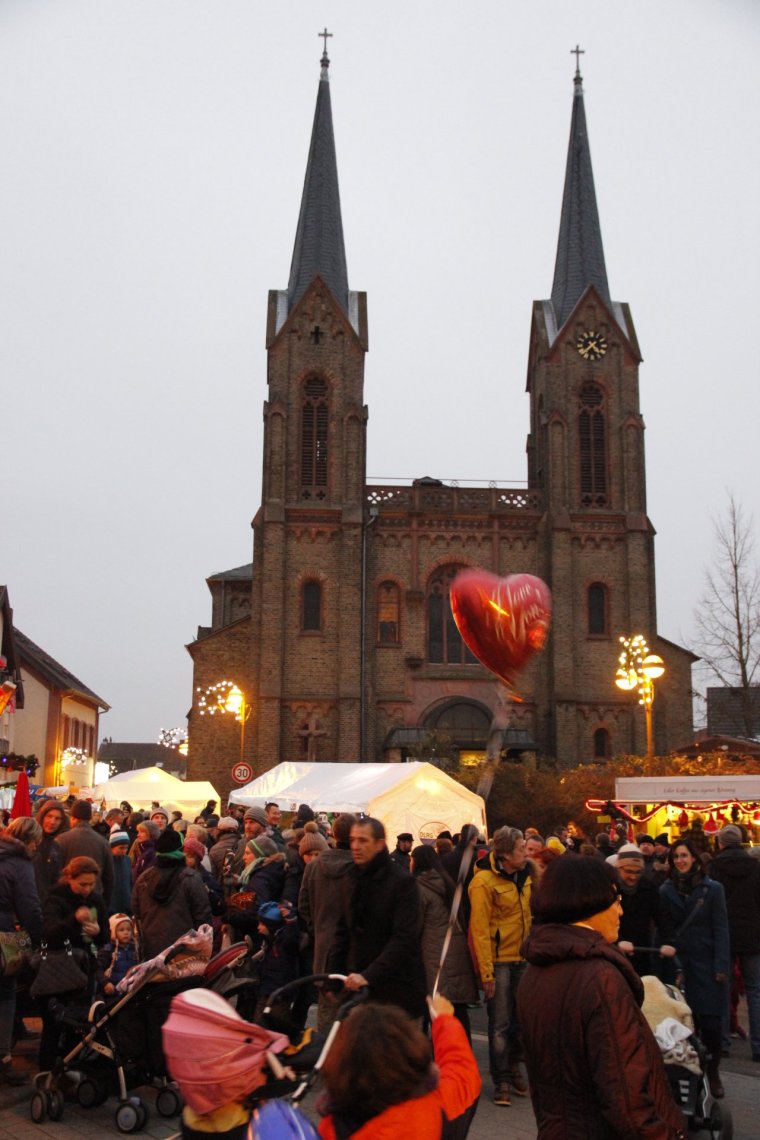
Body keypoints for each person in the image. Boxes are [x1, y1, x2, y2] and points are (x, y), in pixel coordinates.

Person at [517, 855, 687, 1140]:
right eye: (615, 899)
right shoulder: (599, 977)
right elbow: (625, 1093)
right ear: (589, 901)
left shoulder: (537, 968)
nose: (620, 911)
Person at [317, 995, 481, 1139]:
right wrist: (444, 1020)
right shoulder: (433, 1107)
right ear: (410, 1051)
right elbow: (461, 1067)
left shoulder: (331, 1128)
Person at [328, 817, 426, 1019]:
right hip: (358, 987)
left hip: (396, 991)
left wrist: (369, 975)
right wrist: (333, 976)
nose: (355, 846)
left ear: (380, 844)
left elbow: (404, 938)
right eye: (353, 840)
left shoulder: (402, 882)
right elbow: (342, 930)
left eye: (363, 841)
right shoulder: (350, 877)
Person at [659, 837, 731, 1098]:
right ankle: (688, 1075)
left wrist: (722, 964)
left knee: (711, 1024)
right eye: (676, 856)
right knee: (682, 1025)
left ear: (694, 859)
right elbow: (663, 929)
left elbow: (721, 928)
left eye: (684, 855)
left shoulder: (713, 890)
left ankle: (712, 1070)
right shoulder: (665, 890)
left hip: (708, 963)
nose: (680, 860)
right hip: (679, 964)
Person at [468, 825, 531, 1106]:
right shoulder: (483, 882)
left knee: (521, 1020)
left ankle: (516, 1065)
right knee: (500, 1024)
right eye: (520, 849)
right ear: (505, 853)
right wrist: (487, 972)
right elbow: (479, 929)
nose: (525, 853)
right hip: (499, 960)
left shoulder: (527, 876)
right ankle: (501, 1078)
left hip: (524, 958)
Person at [411, 844, 478, 1040]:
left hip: (434, 955)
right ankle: (464, 1058)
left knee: (439, 1014)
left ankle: (444, 1061)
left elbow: (415, 925)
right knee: (459, 1012)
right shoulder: (448, 882)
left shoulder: (420, 887)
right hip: (457, 951)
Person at [299, 813, 356, 1032]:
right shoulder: (360, 866)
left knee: (327, 1015)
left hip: (323, 950)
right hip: (354, 953)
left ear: (332, 833)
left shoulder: (315, 866)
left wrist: (316, 929)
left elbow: (303, 905)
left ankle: (325, 1059)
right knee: (352, 1016)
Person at [708, 823, 760, 1063]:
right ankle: (758, 1046)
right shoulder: (755, 866)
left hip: (724, 933)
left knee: (722, 989)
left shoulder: (715, 867)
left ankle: (722, 1043)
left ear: (721, 843)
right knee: (755, 991)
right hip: (753, 934)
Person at [0, 817, 43, 1085]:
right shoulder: (20, 862)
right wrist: (39, 939)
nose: (37, 847)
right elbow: (30, 906)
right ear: (28, 841)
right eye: (36, 842)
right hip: (2, 933)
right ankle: (3, 1059)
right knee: (5, 994)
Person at [132, 828, 212, 958]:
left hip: (152, 954)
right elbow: (203, 918)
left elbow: (137, 913)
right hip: (185, 953)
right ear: (180, 851)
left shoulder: (143, 879)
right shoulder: (191, 878)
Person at [613, 844, 673, 978]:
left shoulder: (648, 888)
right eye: (628, 871)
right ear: (618, 869)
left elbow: (662, 917)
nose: (633, 877)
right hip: (613, 954)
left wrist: (669, 942)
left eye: (637, 872)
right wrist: (618, 941)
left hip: (641, 952)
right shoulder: (609, 889)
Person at [55, 799, 114, 905]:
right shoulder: (103, 842)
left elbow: (55, 873)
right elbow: (109, 878)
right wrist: (105, 904)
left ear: (73, 818)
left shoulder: (61, 840)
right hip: (94, 898)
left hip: (66, 900)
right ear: (90, 818)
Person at [32, 800, 68, 905]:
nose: (52, 822)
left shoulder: (55, 846)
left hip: (46, 904)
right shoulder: (30, 841)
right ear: (42, 816)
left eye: (57, 818)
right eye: (49, 816)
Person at [96, 914, 139, 995]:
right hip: (114, 990)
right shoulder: (108, 950)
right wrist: (105, 983)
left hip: (132, 990)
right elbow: (98, 969)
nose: (126, 932)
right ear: (113, 932)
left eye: (129, 930)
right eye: (121, 930)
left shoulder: (135, 948)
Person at [108, 828, 133, 916]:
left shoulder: (127, 860)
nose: (124, 850)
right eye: (121, 848)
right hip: (111, 906)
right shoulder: (106, 861)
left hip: (126, 905)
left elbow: (130, 881)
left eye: (126, 848)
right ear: (112, 847)